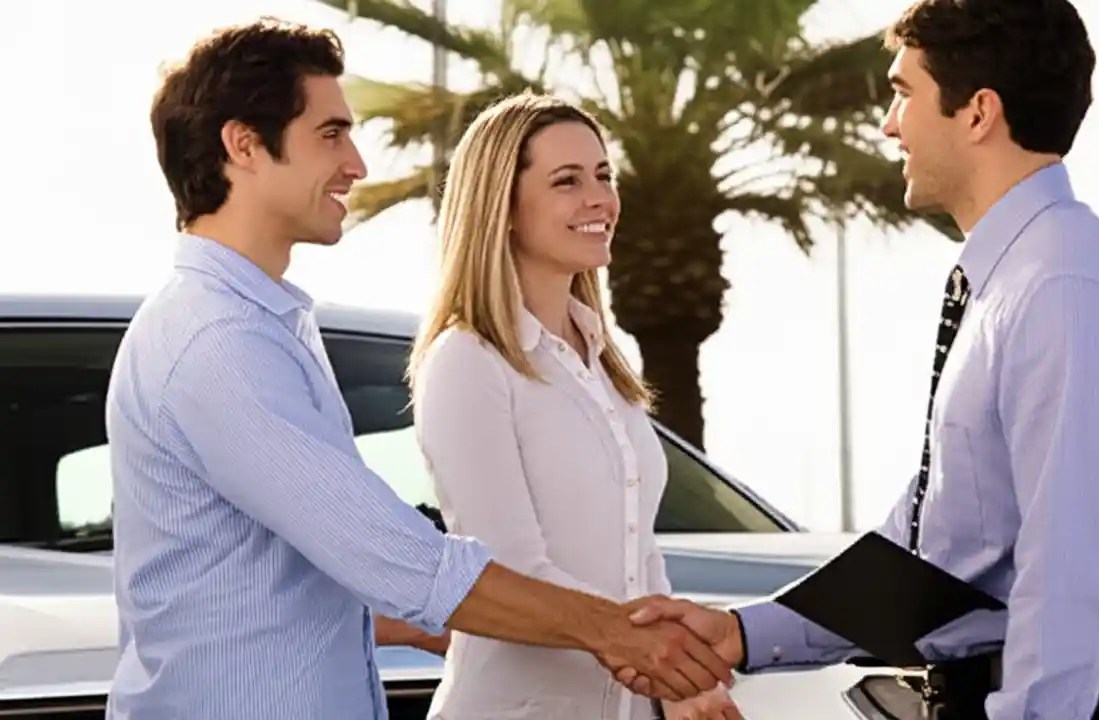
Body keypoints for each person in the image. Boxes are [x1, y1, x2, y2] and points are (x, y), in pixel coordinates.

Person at [105, 19, 732, 720]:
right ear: (244, 145)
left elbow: (301, 578)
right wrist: (625, 638)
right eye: (331, 134)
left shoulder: (266, 326)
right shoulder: (216, 341)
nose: (357, 164)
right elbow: (392, 557)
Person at [628, 1, 1099, 718]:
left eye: (902, 92)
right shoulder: (1014, 282)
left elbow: (1071, 572)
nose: (889, 124)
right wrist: (741, 633)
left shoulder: (1066, 285)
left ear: (978, 112)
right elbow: (930, 556)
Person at [407, 93, 741, 720]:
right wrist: (661, 658)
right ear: (501, 207)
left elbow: (638, 559)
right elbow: (508, 570)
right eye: (567, 181)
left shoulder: (604, 369)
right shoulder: (468, 362)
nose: (600, 200)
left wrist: (687, 685)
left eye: (603, 176)